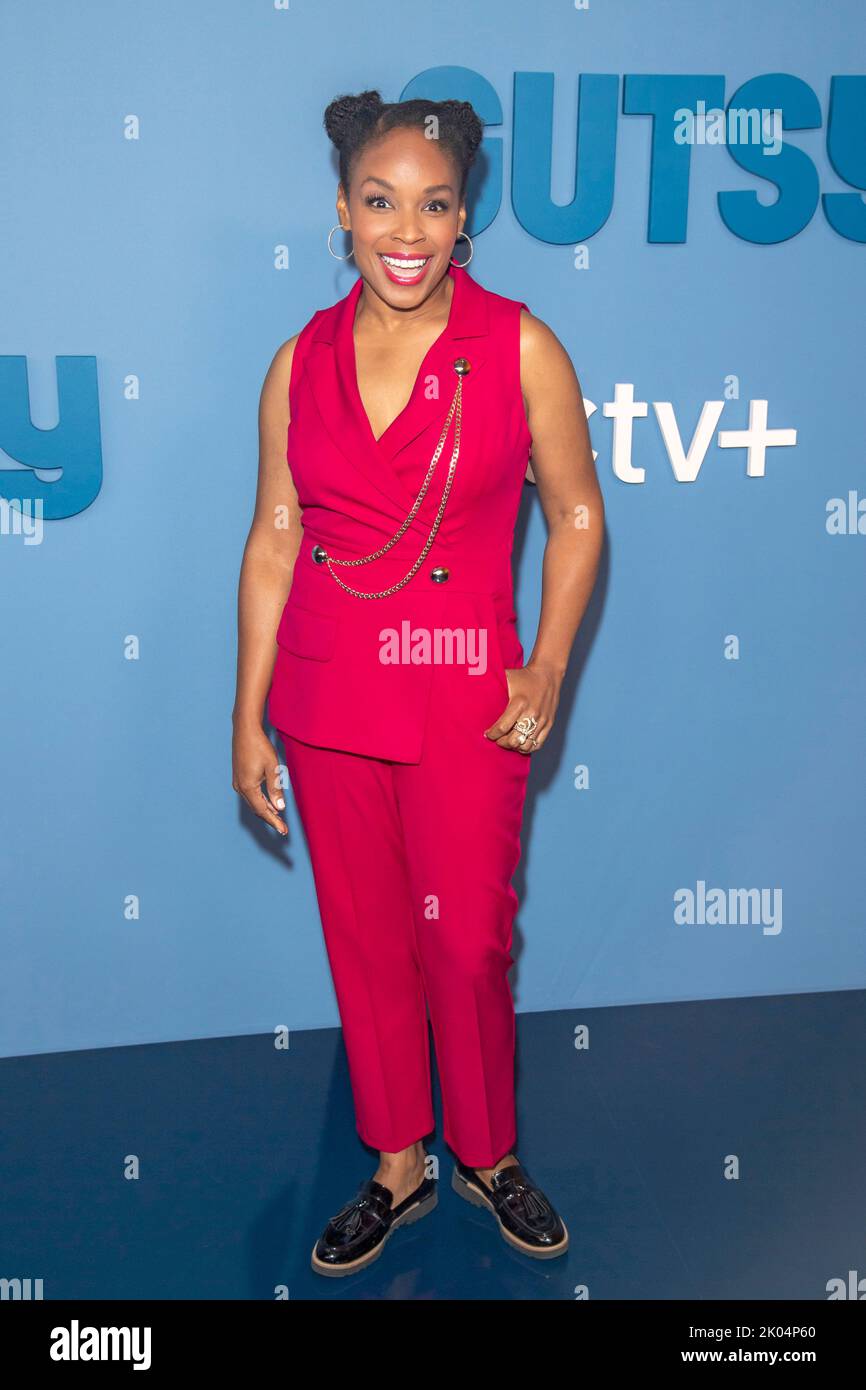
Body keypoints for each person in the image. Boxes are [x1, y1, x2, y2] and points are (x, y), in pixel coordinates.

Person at [232, 90, 603, 1277]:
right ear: (342, 212)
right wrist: (246, 715)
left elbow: (576, 514)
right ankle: (397, 1162)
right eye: (380, 202)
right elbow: (273, 540)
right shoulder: (298, 361)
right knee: (367, 940)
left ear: (462, 219)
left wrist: (547, 663)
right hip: (327, 695)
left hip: (462, 692)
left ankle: (486, 1152)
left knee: (466, 945)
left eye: (432, 205)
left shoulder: (519, 346)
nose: (407, 231)